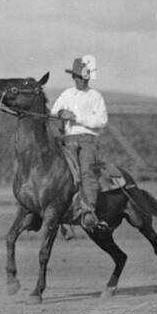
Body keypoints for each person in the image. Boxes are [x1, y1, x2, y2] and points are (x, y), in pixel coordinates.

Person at [51, 54, 110, 233]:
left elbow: (102, 121)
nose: (82, 81)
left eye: (85, 77)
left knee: (87, 173)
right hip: (67, 140)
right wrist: (61, 113)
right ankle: (58, 212)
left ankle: (89, 211)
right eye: (79, 77)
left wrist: (77, 118)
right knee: (60, 175)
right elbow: (54, 111)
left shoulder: (95, 96)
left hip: (87, 140)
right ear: (74, 77)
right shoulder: (66, 94)